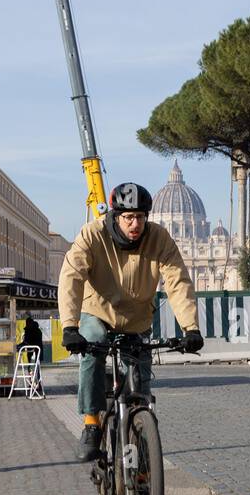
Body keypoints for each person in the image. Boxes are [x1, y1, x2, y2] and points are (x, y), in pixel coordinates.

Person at [58, 182, 203, 460]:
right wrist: (69, 326)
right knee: (93, 345)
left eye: (140, 217)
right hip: (97, 312)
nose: (135, 224)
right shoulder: (93, 234)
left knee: (140, 393)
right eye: (128, 217)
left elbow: (178, 281)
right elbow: (71, 277)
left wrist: (190, 327)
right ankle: (91, 423)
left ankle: (143, 457)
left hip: (136, 320)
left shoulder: (159, 238)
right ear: (116, 215)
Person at [17, 315, 45, 392]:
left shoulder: (29, 330)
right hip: (38, 351)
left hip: (31, 351)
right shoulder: (38, 330)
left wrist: (19, 346)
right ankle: (38, 385)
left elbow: (27, 342)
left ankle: (32, 383)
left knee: (31, 367)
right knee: (37, 368)